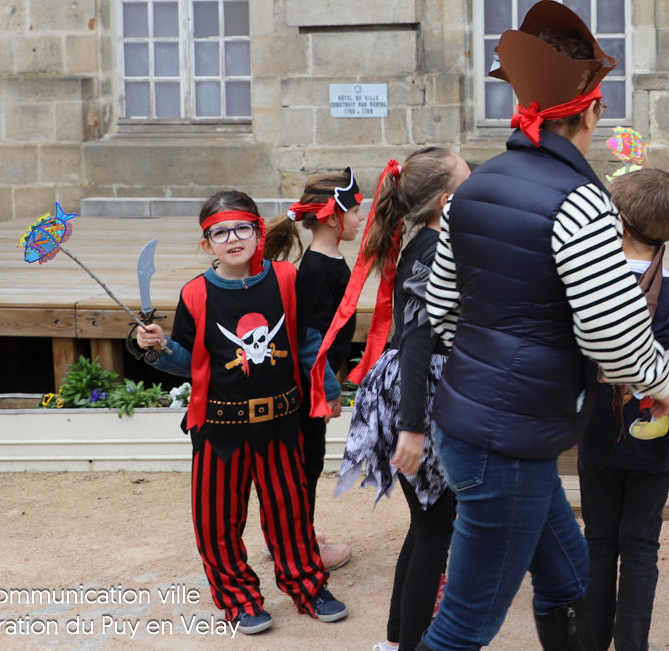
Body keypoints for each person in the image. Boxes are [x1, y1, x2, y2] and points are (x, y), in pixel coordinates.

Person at [419, 0, 669, 651]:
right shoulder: (582, 199)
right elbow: (610, 338)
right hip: (508, 439)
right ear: (592, 110)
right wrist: (660, 380)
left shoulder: (474, 187)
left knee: (569, 575)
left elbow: (443, 312)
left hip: (476, 423)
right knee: (462, 626)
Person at [135, 191, 347, 635]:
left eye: (242, 228)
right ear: (206, 242)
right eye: (220, 232)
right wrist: (156, 349)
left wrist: (325, 393)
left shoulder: (287, 279)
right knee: (217, 520)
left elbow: (308, 344)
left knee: (290, 511)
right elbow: (190, 362)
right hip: (218, 429)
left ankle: (308, 586)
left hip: (281, 424)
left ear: (257, 231)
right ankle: (238, 598)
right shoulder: (195, 293)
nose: (233, 238)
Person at [326, 149, 470, 651]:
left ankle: (395, 641)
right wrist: (412, 426)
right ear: (447, 201)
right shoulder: (432, 253)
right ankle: (409, 645)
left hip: (411, 392)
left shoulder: (428, 242)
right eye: (469, 182)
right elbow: (415, 340)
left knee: (428, 526)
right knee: (435, 530)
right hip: (418, 394)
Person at [578, 169, 669, 651]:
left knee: (598, 542)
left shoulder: (592, 289)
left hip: (596, 433)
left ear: (618, 221)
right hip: (659, 436)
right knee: (639, 547)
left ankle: (591, 642)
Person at [263, 169, 363, 573]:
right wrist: (328, 389)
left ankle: (290, 534)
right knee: (307, 461)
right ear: (333, 217)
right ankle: (299, 547)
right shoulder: (318, 271)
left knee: (305, 460)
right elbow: (310, 338)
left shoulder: (329, 260)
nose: (360, 218)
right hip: (307, 388)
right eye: (356, 211)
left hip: (312, 383)